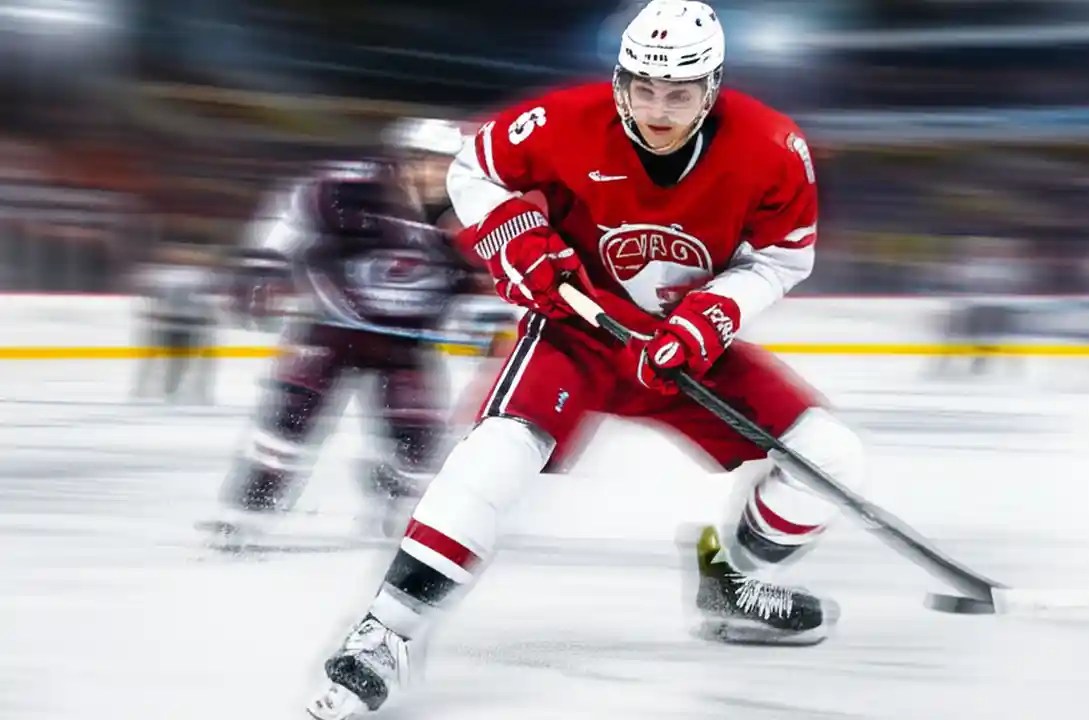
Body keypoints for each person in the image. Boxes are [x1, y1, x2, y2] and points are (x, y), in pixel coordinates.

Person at [308, 3, 867, 717]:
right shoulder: (562, 121)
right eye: (643, 87)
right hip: (577, 333)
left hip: (685, 350)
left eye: (680, 92)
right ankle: (386, 630)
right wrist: (517, 236)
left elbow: (783, 258)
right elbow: (473, 170)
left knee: (833, 456)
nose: (658, 110)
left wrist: (711, 317)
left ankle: (734, 583)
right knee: (500, 450)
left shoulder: (773, 148)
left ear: (713, 86)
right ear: (621, 79)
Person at [207, 118, 477, 549]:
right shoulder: (349, 188)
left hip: (405, 344)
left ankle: (391, 493)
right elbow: (293, 214)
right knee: (287, 425)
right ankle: (243, 515)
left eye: (446, 165)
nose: (435, 175)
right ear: (404, 161)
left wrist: (490, 316)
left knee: (418, 441)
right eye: (427, 162)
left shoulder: (473, 208)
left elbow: (486, 279)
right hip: (332, 331)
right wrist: (265, 263)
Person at [131, 243, 221, 403]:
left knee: (172, 361)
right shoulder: (202, 277)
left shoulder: (163, 276)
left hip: (175, 324)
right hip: (183, 324)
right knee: (177, 361)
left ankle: (162, 388)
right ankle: (168, 388)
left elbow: (149, 298)